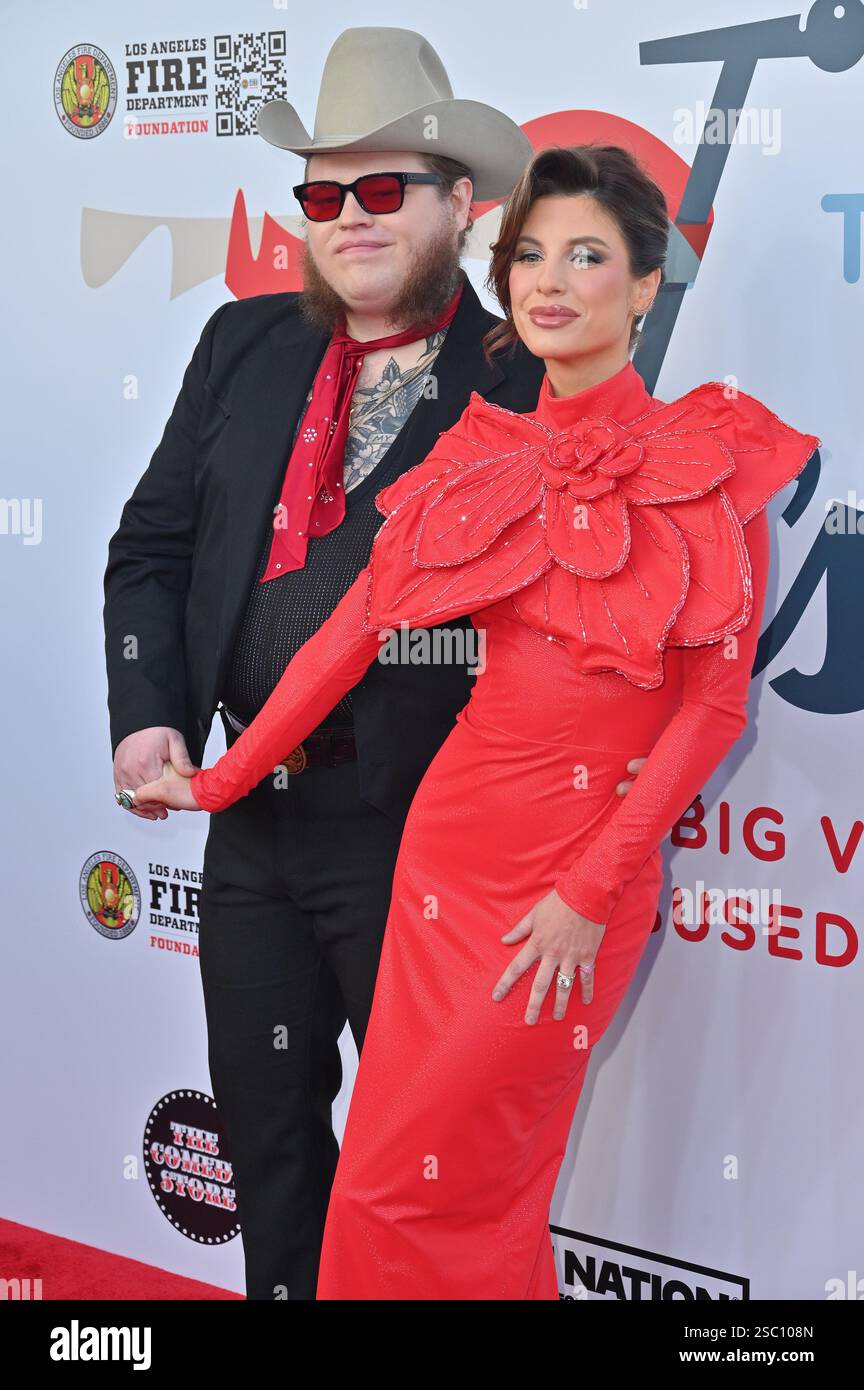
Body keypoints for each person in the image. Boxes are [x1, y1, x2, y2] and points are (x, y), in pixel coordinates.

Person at [134, 141, 820, 1300]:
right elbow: (346, 633)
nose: (550, 281)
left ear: (646, 285)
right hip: (444, 866)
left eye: (586, 255)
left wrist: (590, 891)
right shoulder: (483, 454)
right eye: (531, 256)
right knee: (398, 1194)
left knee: (445, 1189)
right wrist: (219, 779)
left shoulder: (708, 460)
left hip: (570, 891)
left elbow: (710, 709)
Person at [104, 30, 648, 1301]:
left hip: (432, 836)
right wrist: (148, 718)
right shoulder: (244, 345)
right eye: (318, 194)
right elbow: (154, 548)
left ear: (464, 205)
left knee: (437, 1177)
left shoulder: (533, 378)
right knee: (271, 1151)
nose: (344, 220)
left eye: (381, 188)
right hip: (250, 814)